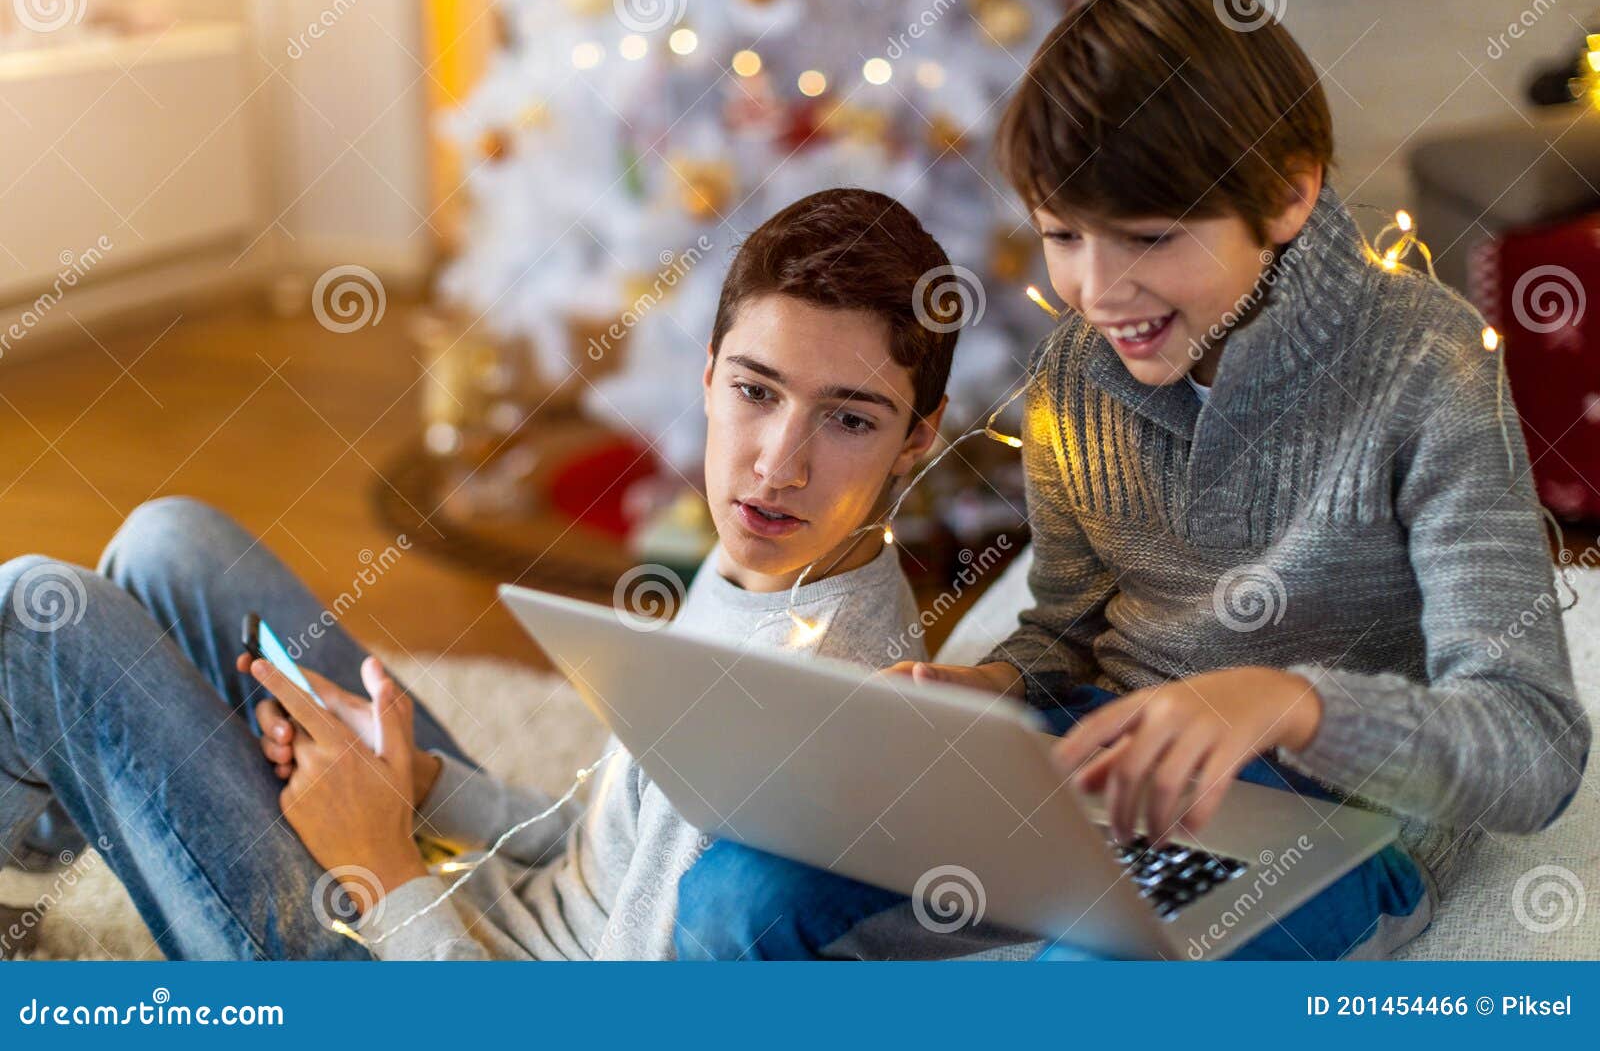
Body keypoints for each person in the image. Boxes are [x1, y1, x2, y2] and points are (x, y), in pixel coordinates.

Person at [672, 0, 1591, 961]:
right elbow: (1065, 629)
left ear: (1288, 191)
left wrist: (1287, 703)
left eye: (1150, 237)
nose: (1098, 290)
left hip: (1330, 816)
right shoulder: (1076, 367)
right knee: (737, 892)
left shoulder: (1428, 365)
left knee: (1101, 977)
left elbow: (1530, 742)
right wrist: (1000, 688)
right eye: (1063, 235)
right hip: (1093, 758)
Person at [0, 187, 1026, 960]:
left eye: (847, 417)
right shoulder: (775, 553)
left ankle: (34, 836)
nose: (778, 461)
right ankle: (46, 829)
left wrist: (380, 861)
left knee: (42, 615)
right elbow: (603, 844)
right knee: (165, 539)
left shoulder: (833, 691)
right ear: (709, 373)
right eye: (757, 392)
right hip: (473, 895)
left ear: (916, 437)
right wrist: (425, 787)